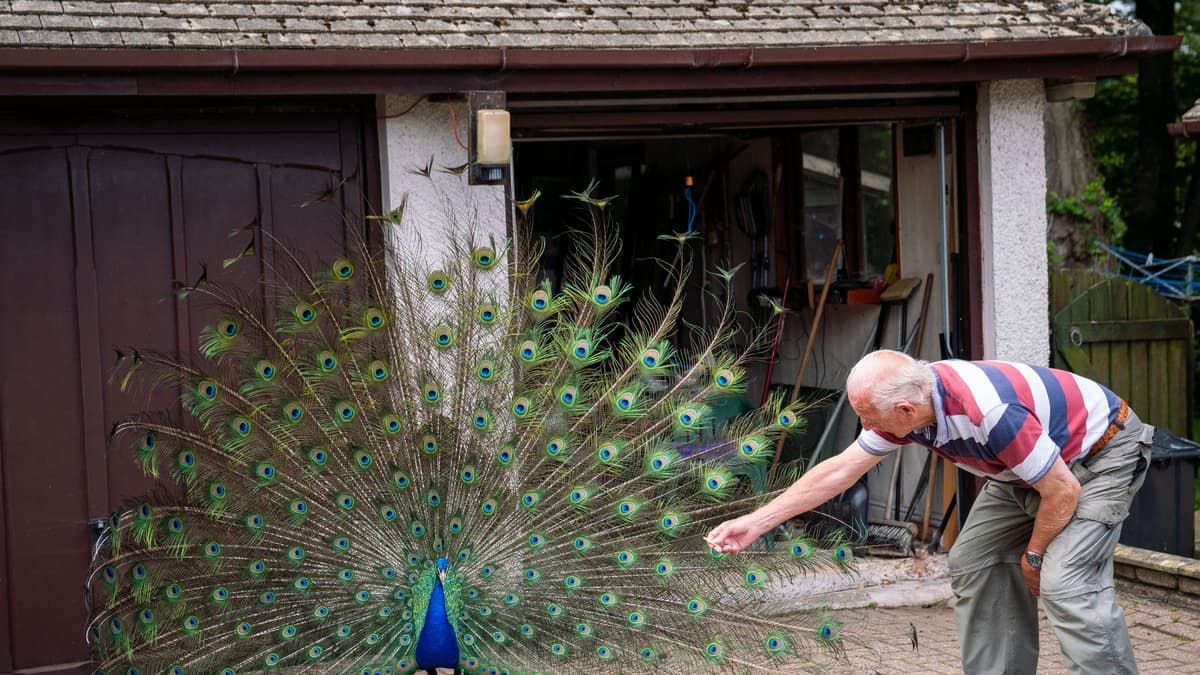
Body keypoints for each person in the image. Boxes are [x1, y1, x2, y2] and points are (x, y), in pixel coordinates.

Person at [706, 350, 1154, 674]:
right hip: (1028, 470)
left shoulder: (990, 413)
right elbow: (839, 470)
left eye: (869, 418)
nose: (865, 426)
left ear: (906, 410)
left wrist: (1033, 556)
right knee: (973, 560)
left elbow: (1061, 491)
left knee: (1065, 582)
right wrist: (755, 522)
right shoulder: (912, 404)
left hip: (1099, 455)